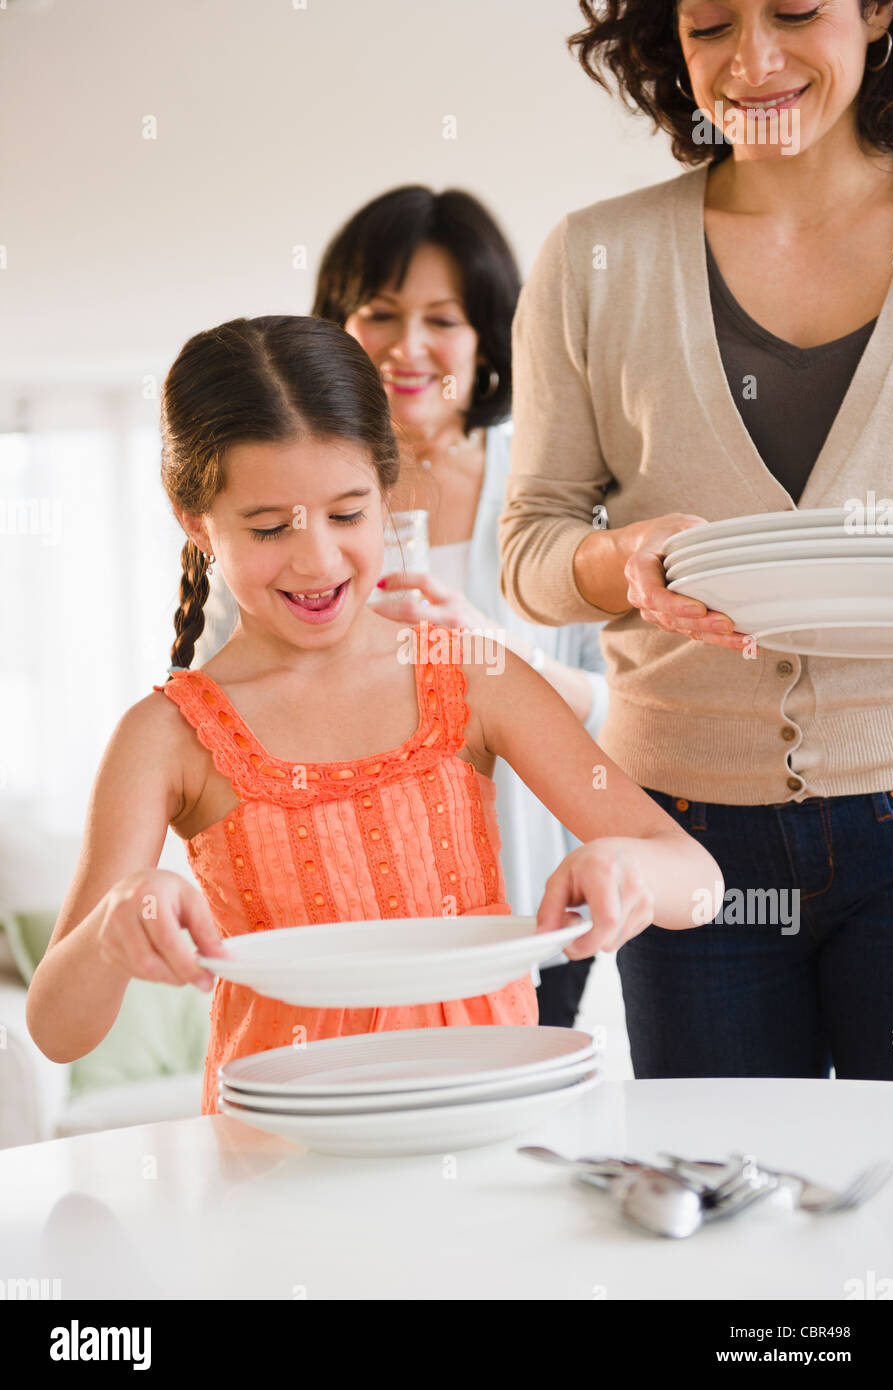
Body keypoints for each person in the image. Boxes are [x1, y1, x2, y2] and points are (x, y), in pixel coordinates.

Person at [25, 315, 723, 1113]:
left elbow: (698, 883)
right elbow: (56, 1031)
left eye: (348, 514)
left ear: (387, 492)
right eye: (267, 526)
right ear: (194, 519)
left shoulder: (469, 676)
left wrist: (629, 870)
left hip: (489, 1125)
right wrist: (119, 920)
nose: (316, 558)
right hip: (279, 1162)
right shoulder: (165, 738)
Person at [498, 0, 893, 1080]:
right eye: (711, 23)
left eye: (796, 11)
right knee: (723, 1202)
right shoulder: (595, 258)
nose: (752, 61)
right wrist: (619, 562)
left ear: (875, 9)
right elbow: (530, 544)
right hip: (677, 836)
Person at [311, 185, 610, 1028]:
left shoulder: (550, 490)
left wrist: (490, 651)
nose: (409, 347)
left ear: (487, 341)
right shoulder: (290, 492)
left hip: (530, 909)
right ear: (336, 327)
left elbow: (624, 704)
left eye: (443, 319)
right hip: (353, 914)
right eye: (379, 312)